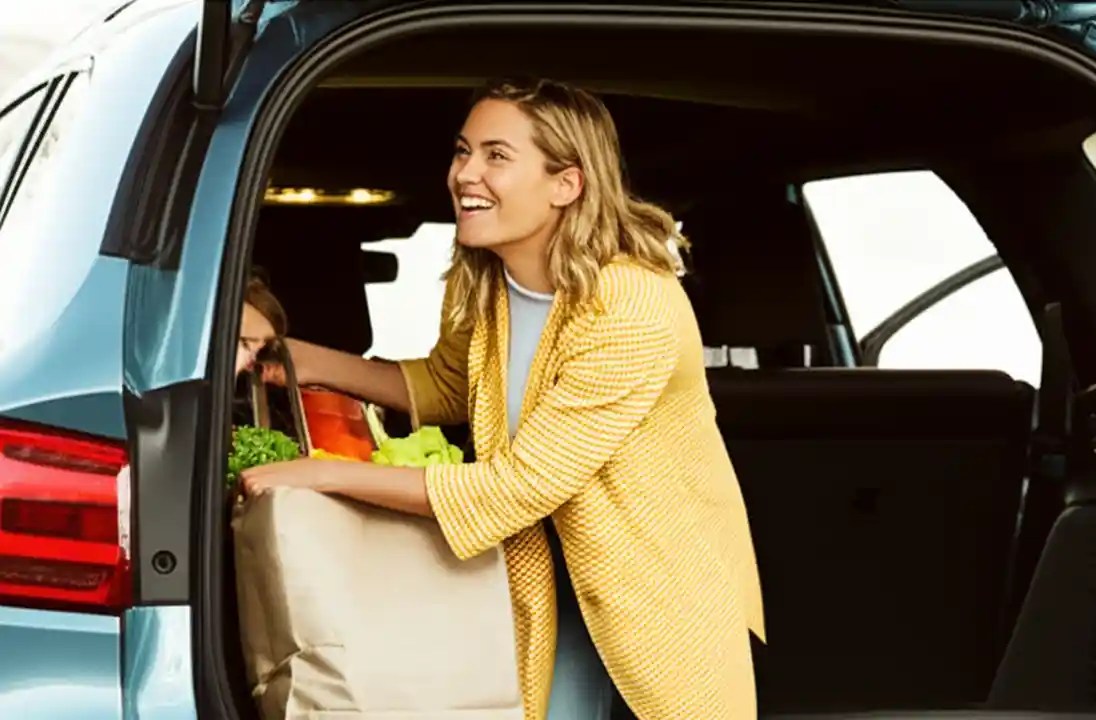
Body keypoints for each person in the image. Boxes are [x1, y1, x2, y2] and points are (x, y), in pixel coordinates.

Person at [241, 77, 764, 720]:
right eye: (463, 152)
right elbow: (444, 388)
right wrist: (286, 354)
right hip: (542, 585)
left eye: (496, 156)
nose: (466, 174)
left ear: (566, 184)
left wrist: (322, 475)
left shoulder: (632, 304)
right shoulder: (493, 283)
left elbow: (516, 487)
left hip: (650, 593)